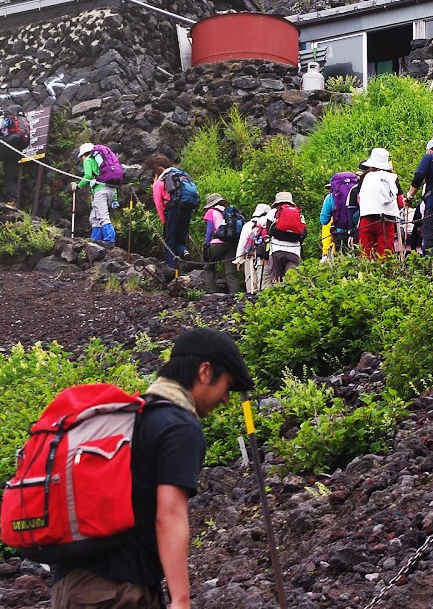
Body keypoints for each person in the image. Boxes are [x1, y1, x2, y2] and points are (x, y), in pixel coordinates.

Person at [50, 327, 253, 609]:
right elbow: (169, 515)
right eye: (227, 386)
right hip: (116, 592)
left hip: (70, 587)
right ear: (205, 371)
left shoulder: (133, 417)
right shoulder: (179, 426)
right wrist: (180, 599)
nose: (226, 398)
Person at [356, 148, 403, 259]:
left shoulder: (364, 177)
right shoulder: (392, 178)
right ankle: (384, 269)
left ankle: (366, 269)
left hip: (366, 218)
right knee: (385, 253)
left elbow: (359, 198)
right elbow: (400, 202)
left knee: (366, 251)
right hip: (386, 220)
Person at [78, 143, 119, 247]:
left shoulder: (88, 160)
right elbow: (111, 181)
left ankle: (110, 240)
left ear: (84, 154)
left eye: (81, 157)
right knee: (94, 217)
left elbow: (88, 176)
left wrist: (78, 186)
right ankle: (94, 240)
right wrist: (115, 198)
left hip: (100, 191)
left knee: (103, 216)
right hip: (111, 191)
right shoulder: (104, 162)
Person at [200, 193, 241, 293]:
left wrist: (206, 244)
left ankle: (212, 292)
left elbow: (210, 230)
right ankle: (236, 295)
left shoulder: (211, 211)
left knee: (209, 268)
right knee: (231, 272)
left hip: (216, 243)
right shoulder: (230, 213)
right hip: (231, 244)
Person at [0, 107, 28, 204]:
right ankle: (12, 200)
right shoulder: (18, 121)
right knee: (9, 177)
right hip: (17, 150)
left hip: (5, 148)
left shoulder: (1, 119)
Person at [265, 192, 306, 284]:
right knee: (291, 281)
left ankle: (278, 291)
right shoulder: (298, 213)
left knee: (277, 281)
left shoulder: (273, 212)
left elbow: (268, 233)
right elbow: (304, 233)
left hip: (276, 251)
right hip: (294, 252)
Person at [234, 204, 271, 294]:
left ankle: (251, 297)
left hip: (250, 256)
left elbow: (242, 243)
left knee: (251, 280)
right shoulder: (269, 224)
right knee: (263, 281)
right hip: (264, 256)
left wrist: (239, 260)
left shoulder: (248, 225)